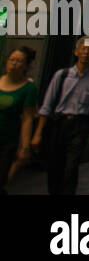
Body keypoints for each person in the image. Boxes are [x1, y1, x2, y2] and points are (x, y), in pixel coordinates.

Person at [32, 37, 89, 195]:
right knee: (54, 165)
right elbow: (47, 105)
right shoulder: (62, 75)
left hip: (80, 125)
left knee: (71, 167)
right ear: (76, 52)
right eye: (83, 49)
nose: (86, 53)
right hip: (59, 123)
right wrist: (38, 133)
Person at [0, 47, 38, 193]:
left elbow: (27, 119)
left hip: (7, 141)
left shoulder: (29, 88)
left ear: (26, 66)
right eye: (12, 60)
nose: (14, 63)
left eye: (19, 61)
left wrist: (25, 146)